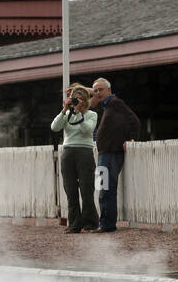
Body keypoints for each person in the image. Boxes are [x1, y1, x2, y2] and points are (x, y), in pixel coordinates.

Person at [88, 77, 140, 233]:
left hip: (110, 152)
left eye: (101, 90)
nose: (97, 93)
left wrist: (131, 139)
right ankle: (105, 223)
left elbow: (134, 121)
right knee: (103, 188)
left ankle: (106, 224)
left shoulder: (115, 103)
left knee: (105, 189)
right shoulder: (108, 105)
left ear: (109, 90)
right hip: (105, 152)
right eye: (95, 91)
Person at [52, 84, 98, 233]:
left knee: (86, 188)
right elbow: (55, 127)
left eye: (79, 99)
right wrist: (64, 110)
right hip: (68, 151)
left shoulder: (92, 115)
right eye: (74, 99)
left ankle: (90, 223)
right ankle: (74, 224)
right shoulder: (67, 114)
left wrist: (79, 113)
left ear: (85, 100)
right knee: (70, 189)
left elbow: (87, 130)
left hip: (84, 151)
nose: (77, 102)